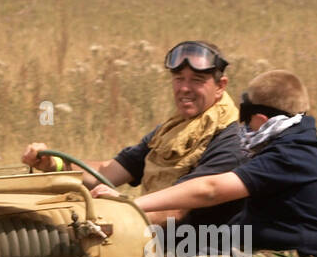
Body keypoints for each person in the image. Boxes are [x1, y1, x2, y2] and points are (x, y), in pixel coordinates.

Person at [126, 69, 317, 257]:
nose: (242, 127)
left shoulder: (293, 153)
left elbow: (211, 190)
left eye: (245, 119)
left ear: (260, 119)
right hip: (274, 256)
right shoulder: (283, 145)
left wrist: (132, 206)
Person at [21, 41, 244, 230]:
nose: (184, 88)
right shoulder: (171, 130)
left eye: (196, 80)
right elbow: (107, 172)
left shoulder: (229, 140)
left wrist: (118, 213)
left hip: (196, 254)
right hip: (151, 239)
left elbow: (174, 210)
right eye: (178, 78)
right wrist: (54, 164)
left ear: (220, 86)